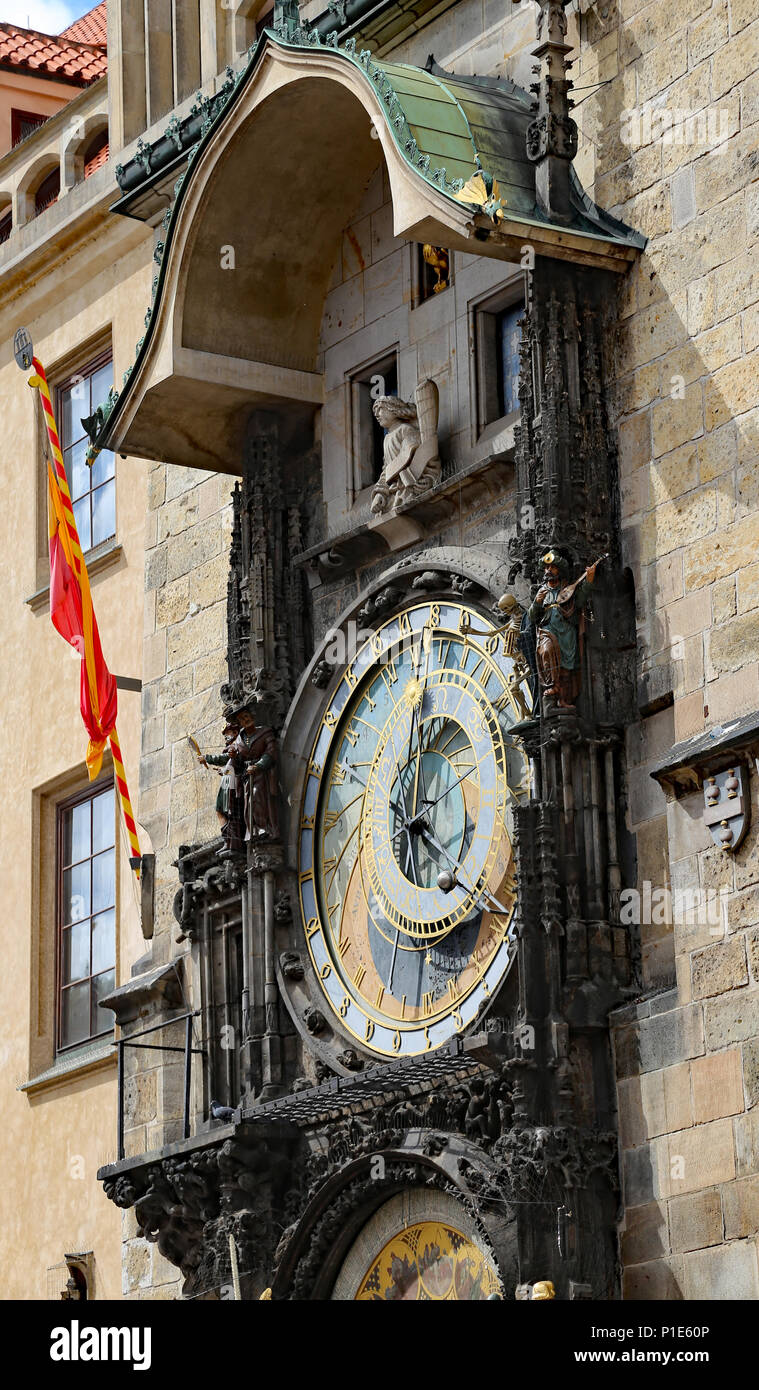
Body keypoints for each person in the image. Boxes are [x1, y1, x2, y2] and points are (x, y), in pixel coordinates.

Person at [528, 550, 596, 708]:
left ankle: (563, 699)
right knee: (546, 652)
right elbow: (532, 617)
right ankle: (552, 686)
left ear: (559, 569)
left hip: (566, 632)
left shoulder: (566, 588)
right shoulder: (541, 591)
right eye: (546, 568)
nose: (548, 570)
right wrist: (537, 602)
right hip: (547, 631)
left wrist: (589, 579)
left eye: (552, 567)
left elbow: (579, 601)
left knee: (566, 665)